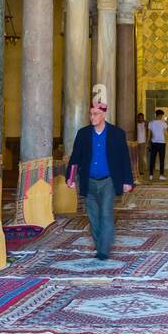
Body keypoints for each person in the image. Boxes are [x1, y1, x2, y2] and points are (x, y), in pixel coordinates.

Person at [66, 100, 134, 260]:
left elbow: (124, 158)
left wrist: (127, 181)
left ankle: (103, 250)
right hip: (88, 180)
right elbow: (75, 157)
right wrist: (70, 177)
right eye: (91, 114)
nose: (92, 117)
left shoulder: (117, 133)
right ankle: (99, 246)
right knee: (93, 217)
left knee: (105, 214)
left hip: (108, 181)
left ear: (103, 114)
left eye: (95, 114)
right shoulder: (83, 133)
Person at [147, 108, 168, 181]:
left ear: (156, 115)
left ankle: (151, 175)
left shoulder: (150, 123)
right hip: (162, 144)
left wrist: (147, 144)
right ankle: (161, 175)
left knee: (152, 160)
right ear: (160, 115)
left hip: (153, 143)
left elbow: (149, 135)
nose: (162, 117)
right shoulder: (163, 123)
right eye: (162, 115)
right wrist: (167, 122)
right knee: (161, 160)